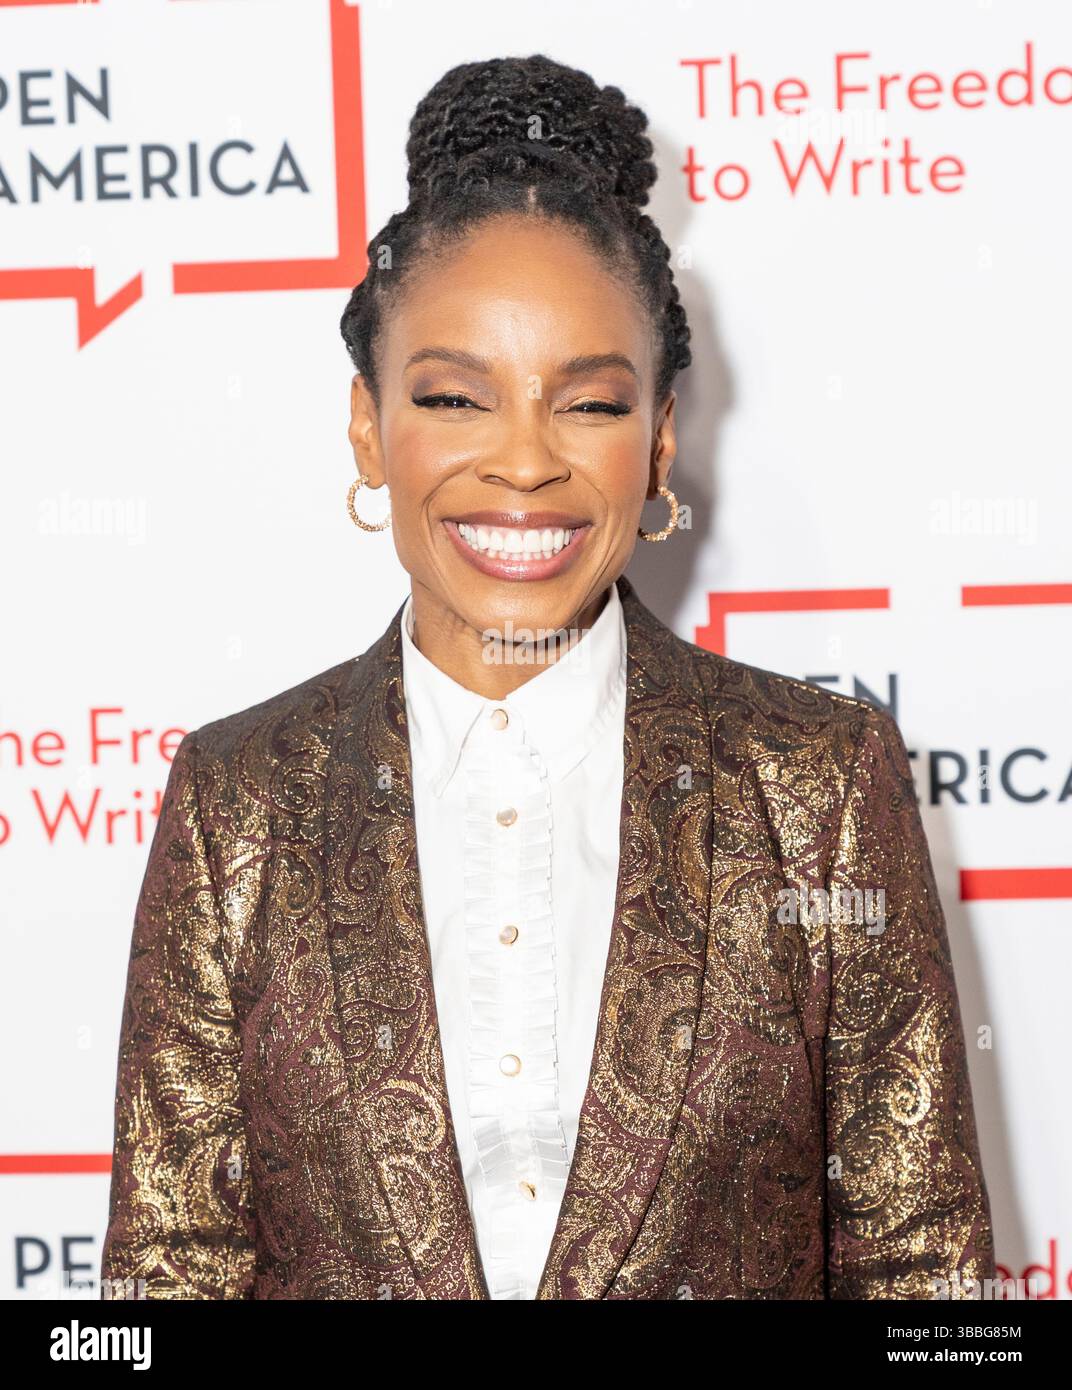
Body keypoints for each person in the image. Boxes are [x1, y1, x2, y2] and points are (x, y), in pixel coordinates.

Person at [100, 54, 994, 1300]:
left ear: (661, 438)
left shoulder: (819, 788)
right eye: (455, 395)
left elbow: (927, 1284)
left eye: (588, 404)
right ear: (367, 423)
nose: (522, 464)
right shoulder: (237, 800)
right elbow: (165, 1281)